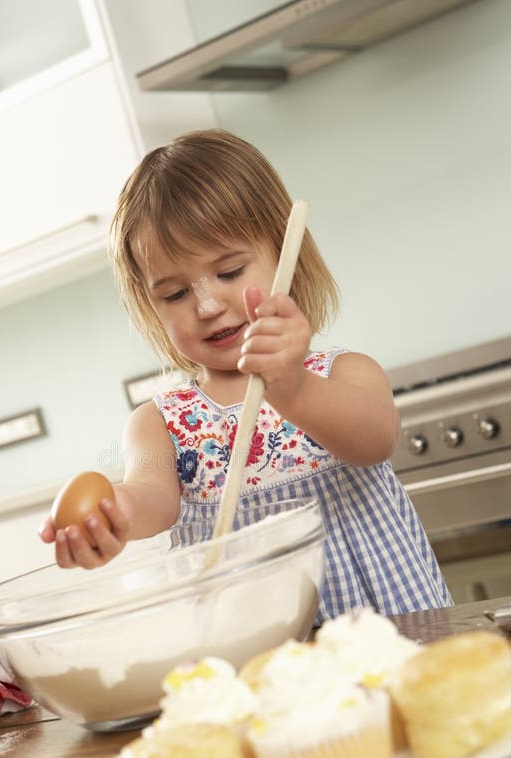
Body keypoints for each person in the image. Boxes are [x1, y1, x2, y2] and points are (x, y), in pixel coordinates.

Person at [38, 129, 452, 620]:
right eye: (174, 295)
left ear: (284, 254)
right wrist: (116, 516)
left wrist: (293, 387)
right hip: (261, 652)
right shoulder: (161, 422)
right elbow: (152, 494)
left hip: (393, 636)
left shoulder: (344, 373)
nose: (208, 306)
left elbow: (375, 441)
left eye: (230, 271)